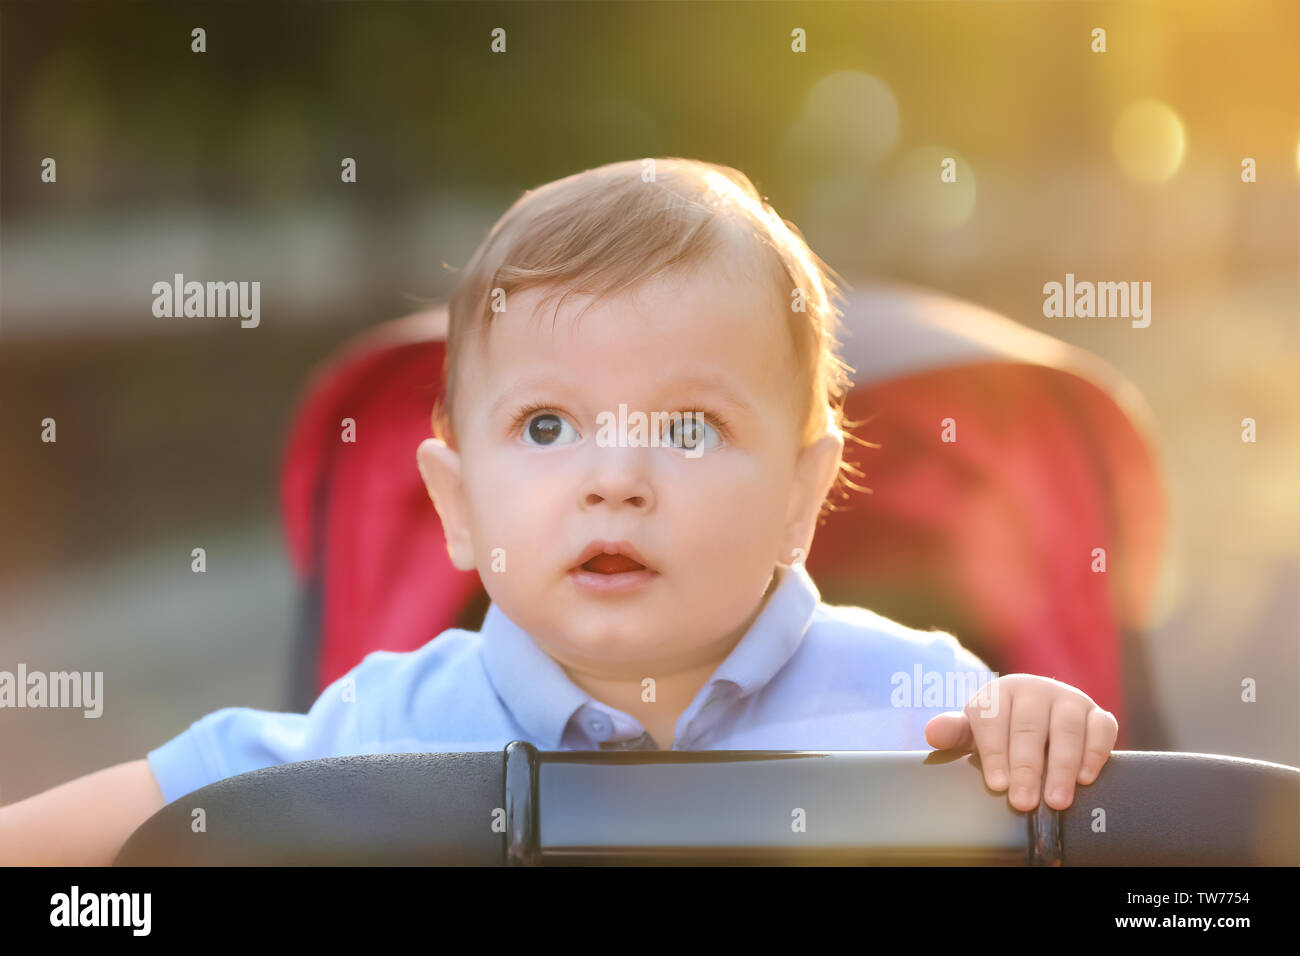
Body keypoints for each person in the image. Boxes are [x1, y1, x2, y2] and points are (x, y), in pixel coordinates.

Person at [0, 158, 1117, 865]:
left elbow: (1119, 842)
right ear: (453, 500)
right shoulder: (384, 733)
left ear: (799, 495)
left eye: (688, 426)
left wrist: (1043, 738)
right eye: (546, 427)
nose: (614, 478)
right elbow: (119, 831)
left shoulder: (924, 709)